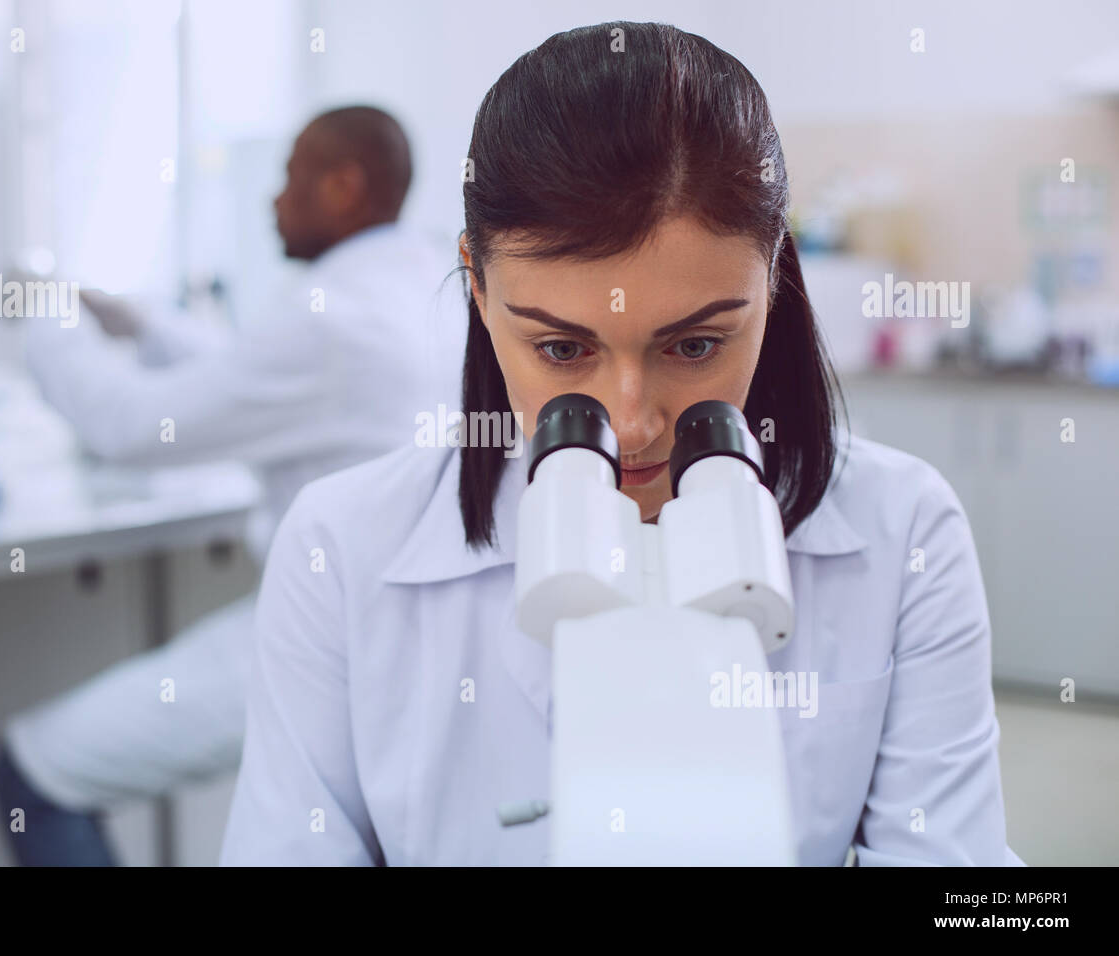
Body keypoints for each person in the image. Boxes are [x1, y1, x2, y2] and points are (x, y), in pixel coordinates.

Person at [219, 23, 1026, 866]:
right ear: (478, 282)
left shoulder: (904, 532)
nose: (633, 422)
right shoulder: (342, 546)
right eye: (562, 350)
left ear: (775, 273)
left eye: (696, 345)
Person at [0, 106, 462, 865]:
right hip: (421, 638)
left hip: (330, 640)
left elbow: (131, 425)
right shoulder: (430, 286)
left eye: (291, 179)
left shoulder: (332, 321)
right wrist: (138, 322)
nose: (274, 200)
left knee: (31, 771)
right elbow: (248, 366)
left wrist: (42, 314)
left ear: (343, 186)